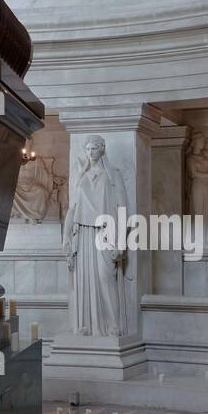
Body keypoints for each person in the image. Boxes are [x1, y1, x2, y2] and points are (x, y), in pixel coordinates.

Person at [63, 136, 129, 336]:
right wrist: (66, 235)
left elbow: (122, 207)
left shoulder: (112, 176)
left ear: (102, 150)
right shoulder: (81, 177)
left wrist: (121, 239)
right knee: (83, 281)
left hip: (104, 232)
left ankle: (113, 325)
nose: (90, 152)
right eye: (88, 149)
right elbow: (72, 208)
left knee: (105, 277)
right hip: (82, 233)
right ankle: (86, 325)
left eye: (94, 148)